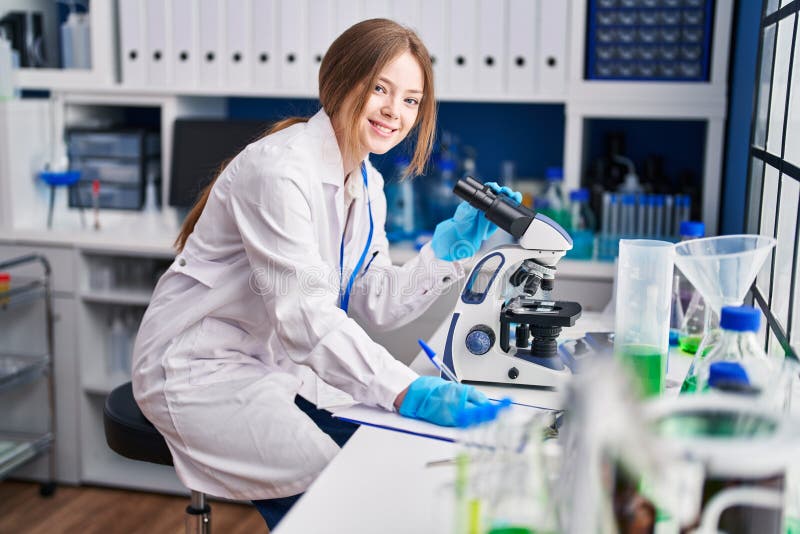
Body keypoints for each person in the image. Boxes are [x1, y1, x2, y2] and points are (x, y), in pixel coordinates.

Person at [131, 18, 518, 529]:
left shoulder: (367, 183)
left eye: (411, 99)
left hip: (277, 366)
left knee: (382, 458)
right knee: (337, 486)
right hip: (198, 369)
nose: (394, 112)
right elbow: (307, 316)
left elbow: (373, 301)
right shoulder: (280, 171)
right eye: (380, 88)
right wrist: (409, 390)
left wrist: (448, 251)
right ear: (338, 82)